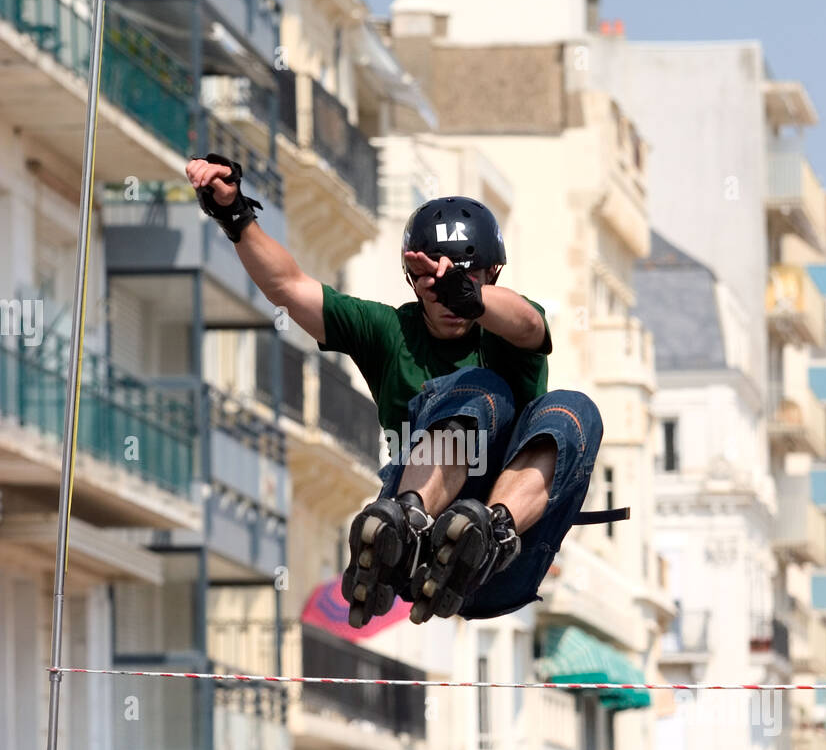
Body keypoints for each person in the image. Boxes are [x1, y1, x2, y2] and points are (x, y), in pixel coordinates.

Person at [186, 158, 605, 630]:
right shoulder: (388, 332)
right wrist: (236, 215)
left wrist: (467, 295)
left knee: (575, 411)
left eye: (466, 284)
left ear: (492, 276)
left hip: (506, 562)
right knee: (479, 392)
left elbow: (530, 325)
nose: (448, 302)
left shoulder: (508, 328)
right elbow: (288, 287)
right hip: (416, 553)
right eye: (436, 288)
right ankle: (407, 520)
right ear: (414, 279)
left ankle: (486, 533)